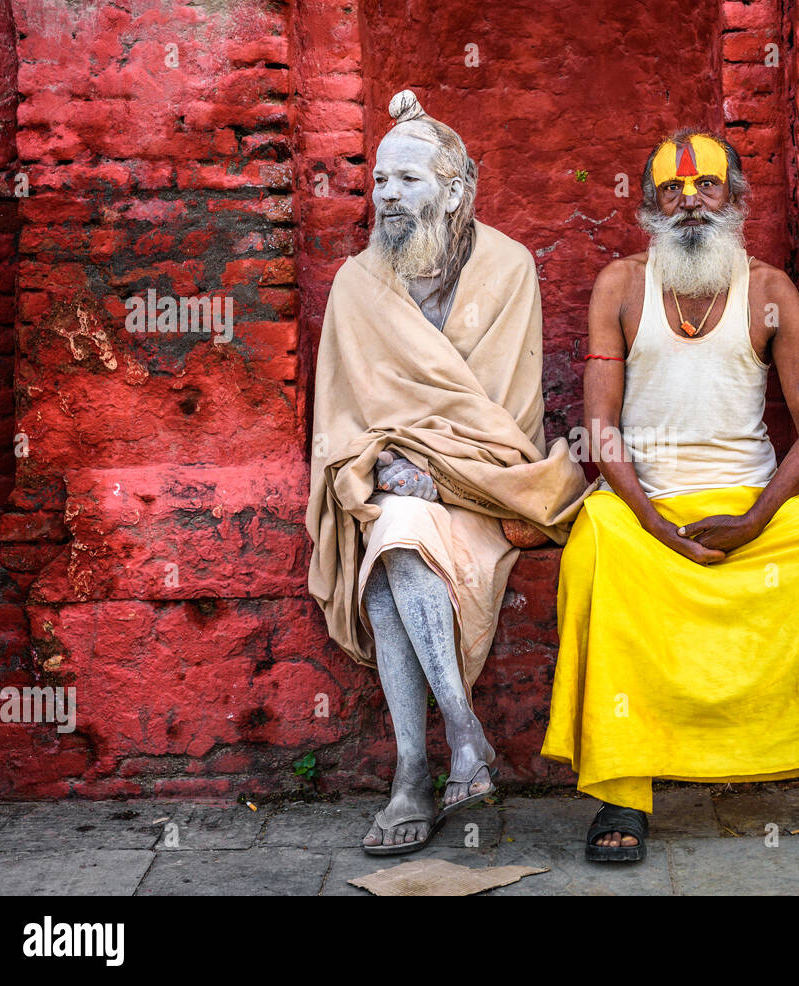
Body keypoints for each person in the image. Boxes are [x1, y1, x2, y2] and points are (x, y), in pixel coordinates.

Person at [541, 129, 799, 861]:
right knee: (596, 554)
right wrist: (651, 523)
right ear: (651, 205)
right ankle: (622, 791)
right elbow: (598, 431)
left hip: (748, 502)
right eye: (672, 190)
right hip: (641, 502)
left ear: (734, 199)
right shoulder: (620, 285)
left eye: (706, 187)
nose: (690, 202)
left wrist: (754, 519)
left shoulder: (770, 290)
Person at [306, 90, 594, 856]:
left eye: (408, 179)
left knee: (401, 534)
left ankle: (410, 780)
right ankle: (458, 742)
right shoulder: (355, 286)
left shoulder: (508, 269)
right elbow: (339, 426)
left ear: (457, 187)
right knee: (395, 531)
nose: (389, 195)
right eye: (379, 182)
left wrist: (436, 475)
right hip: (393, 491)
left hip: (488, 494)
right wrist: (381, 464)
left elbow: (506, 424)